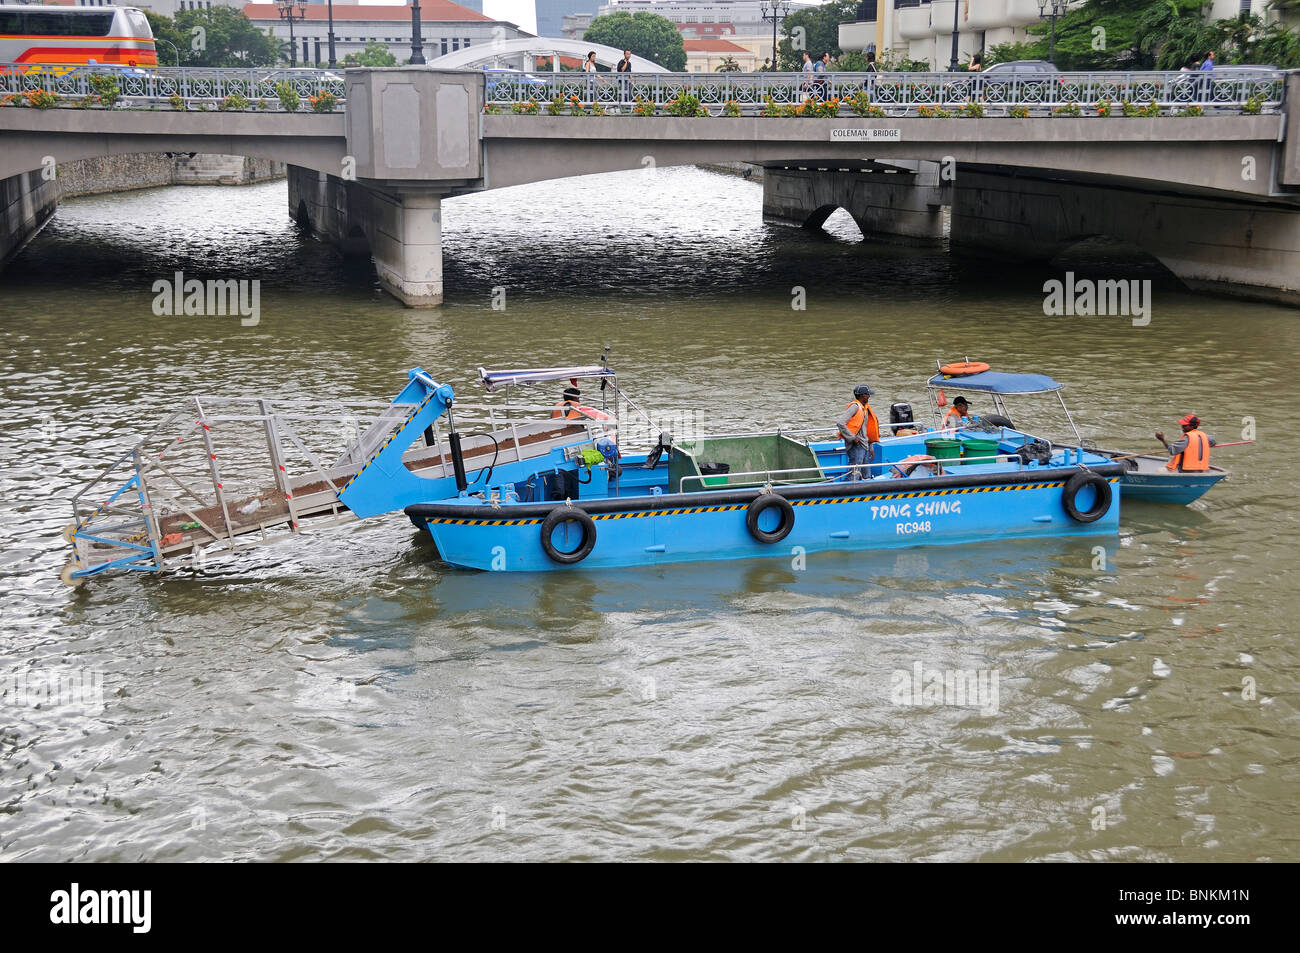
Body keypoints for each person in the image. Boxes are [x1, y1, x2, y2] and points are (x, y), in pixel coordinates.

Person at [838, 384, 881, 473]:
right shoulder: (855, 407)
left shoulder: (865, 408)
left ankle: (867, 484)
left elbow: (866, 430)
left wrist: (870, 448)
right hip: (856, 446)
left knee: (866, 474)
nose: (869, 396)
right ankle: (848, 486)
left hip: (865, 445)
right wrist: (852, 437)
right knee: (854, 474)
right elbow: (840, 423)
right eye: (868, 394)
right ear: (862, 395)